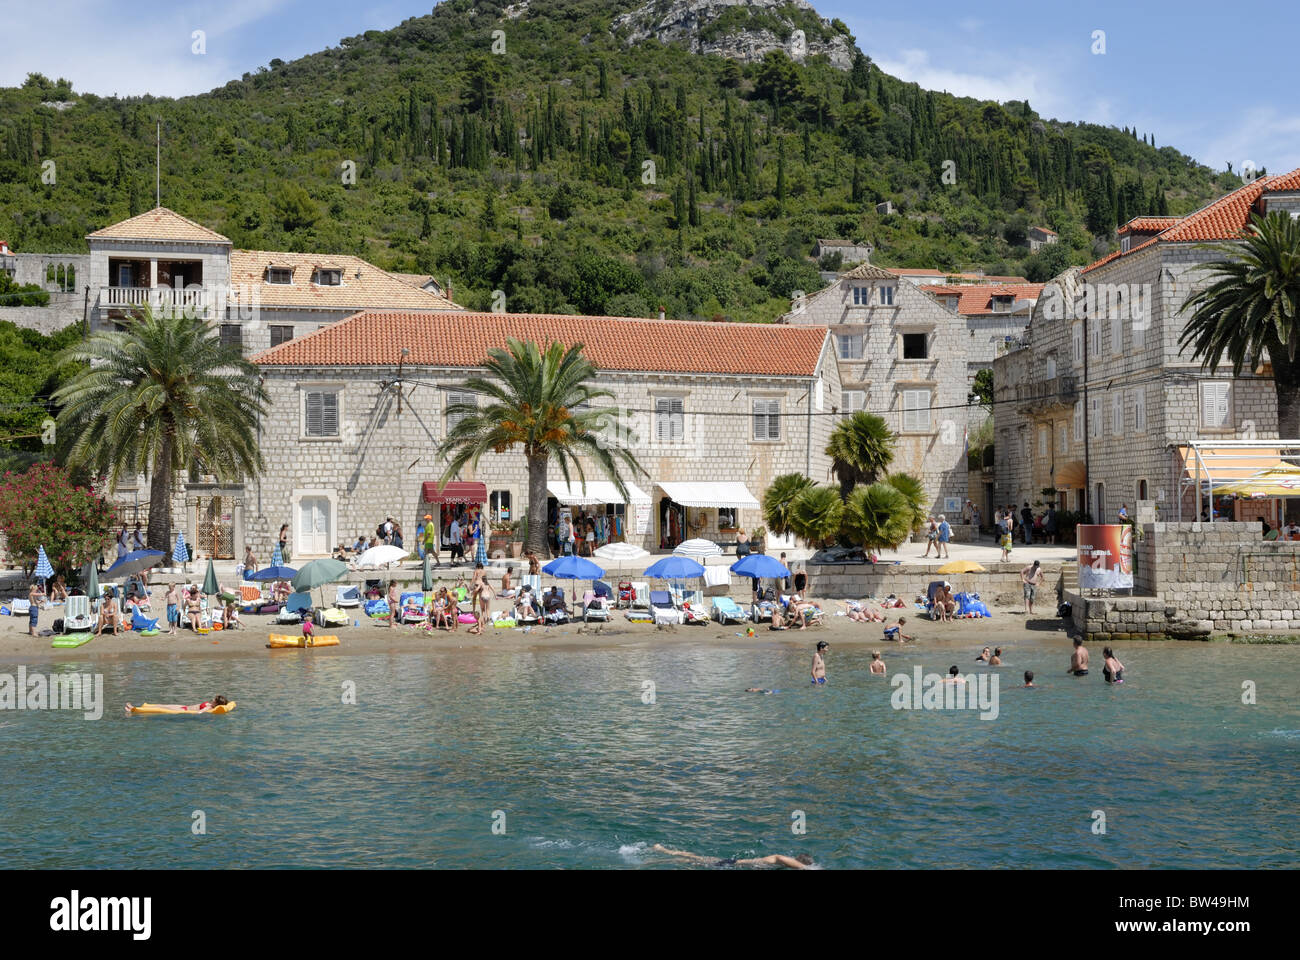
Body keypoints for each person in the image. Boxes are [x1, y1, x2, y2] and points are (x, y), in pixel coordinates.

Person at [651, 844, 814, 870]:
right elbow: (779, 857)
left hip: (732, 864)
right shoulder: (779, 860)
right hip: (731, 864)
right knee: (693, 860)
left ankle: (663, 851)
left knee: (694, 859)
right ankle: (661, 853)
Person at [125, 695, 229, 715]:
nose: (212, 698)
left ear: (216, 702)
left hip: (183, 710)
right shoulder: (210, 704)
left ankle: (133, 709)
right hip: (183, 706)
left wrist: (198, 712)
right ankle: (141, 707)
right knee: (161, 705)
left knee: (160, 708)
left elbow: (199, 712)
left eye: (214, 699)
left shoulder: (209, 706)